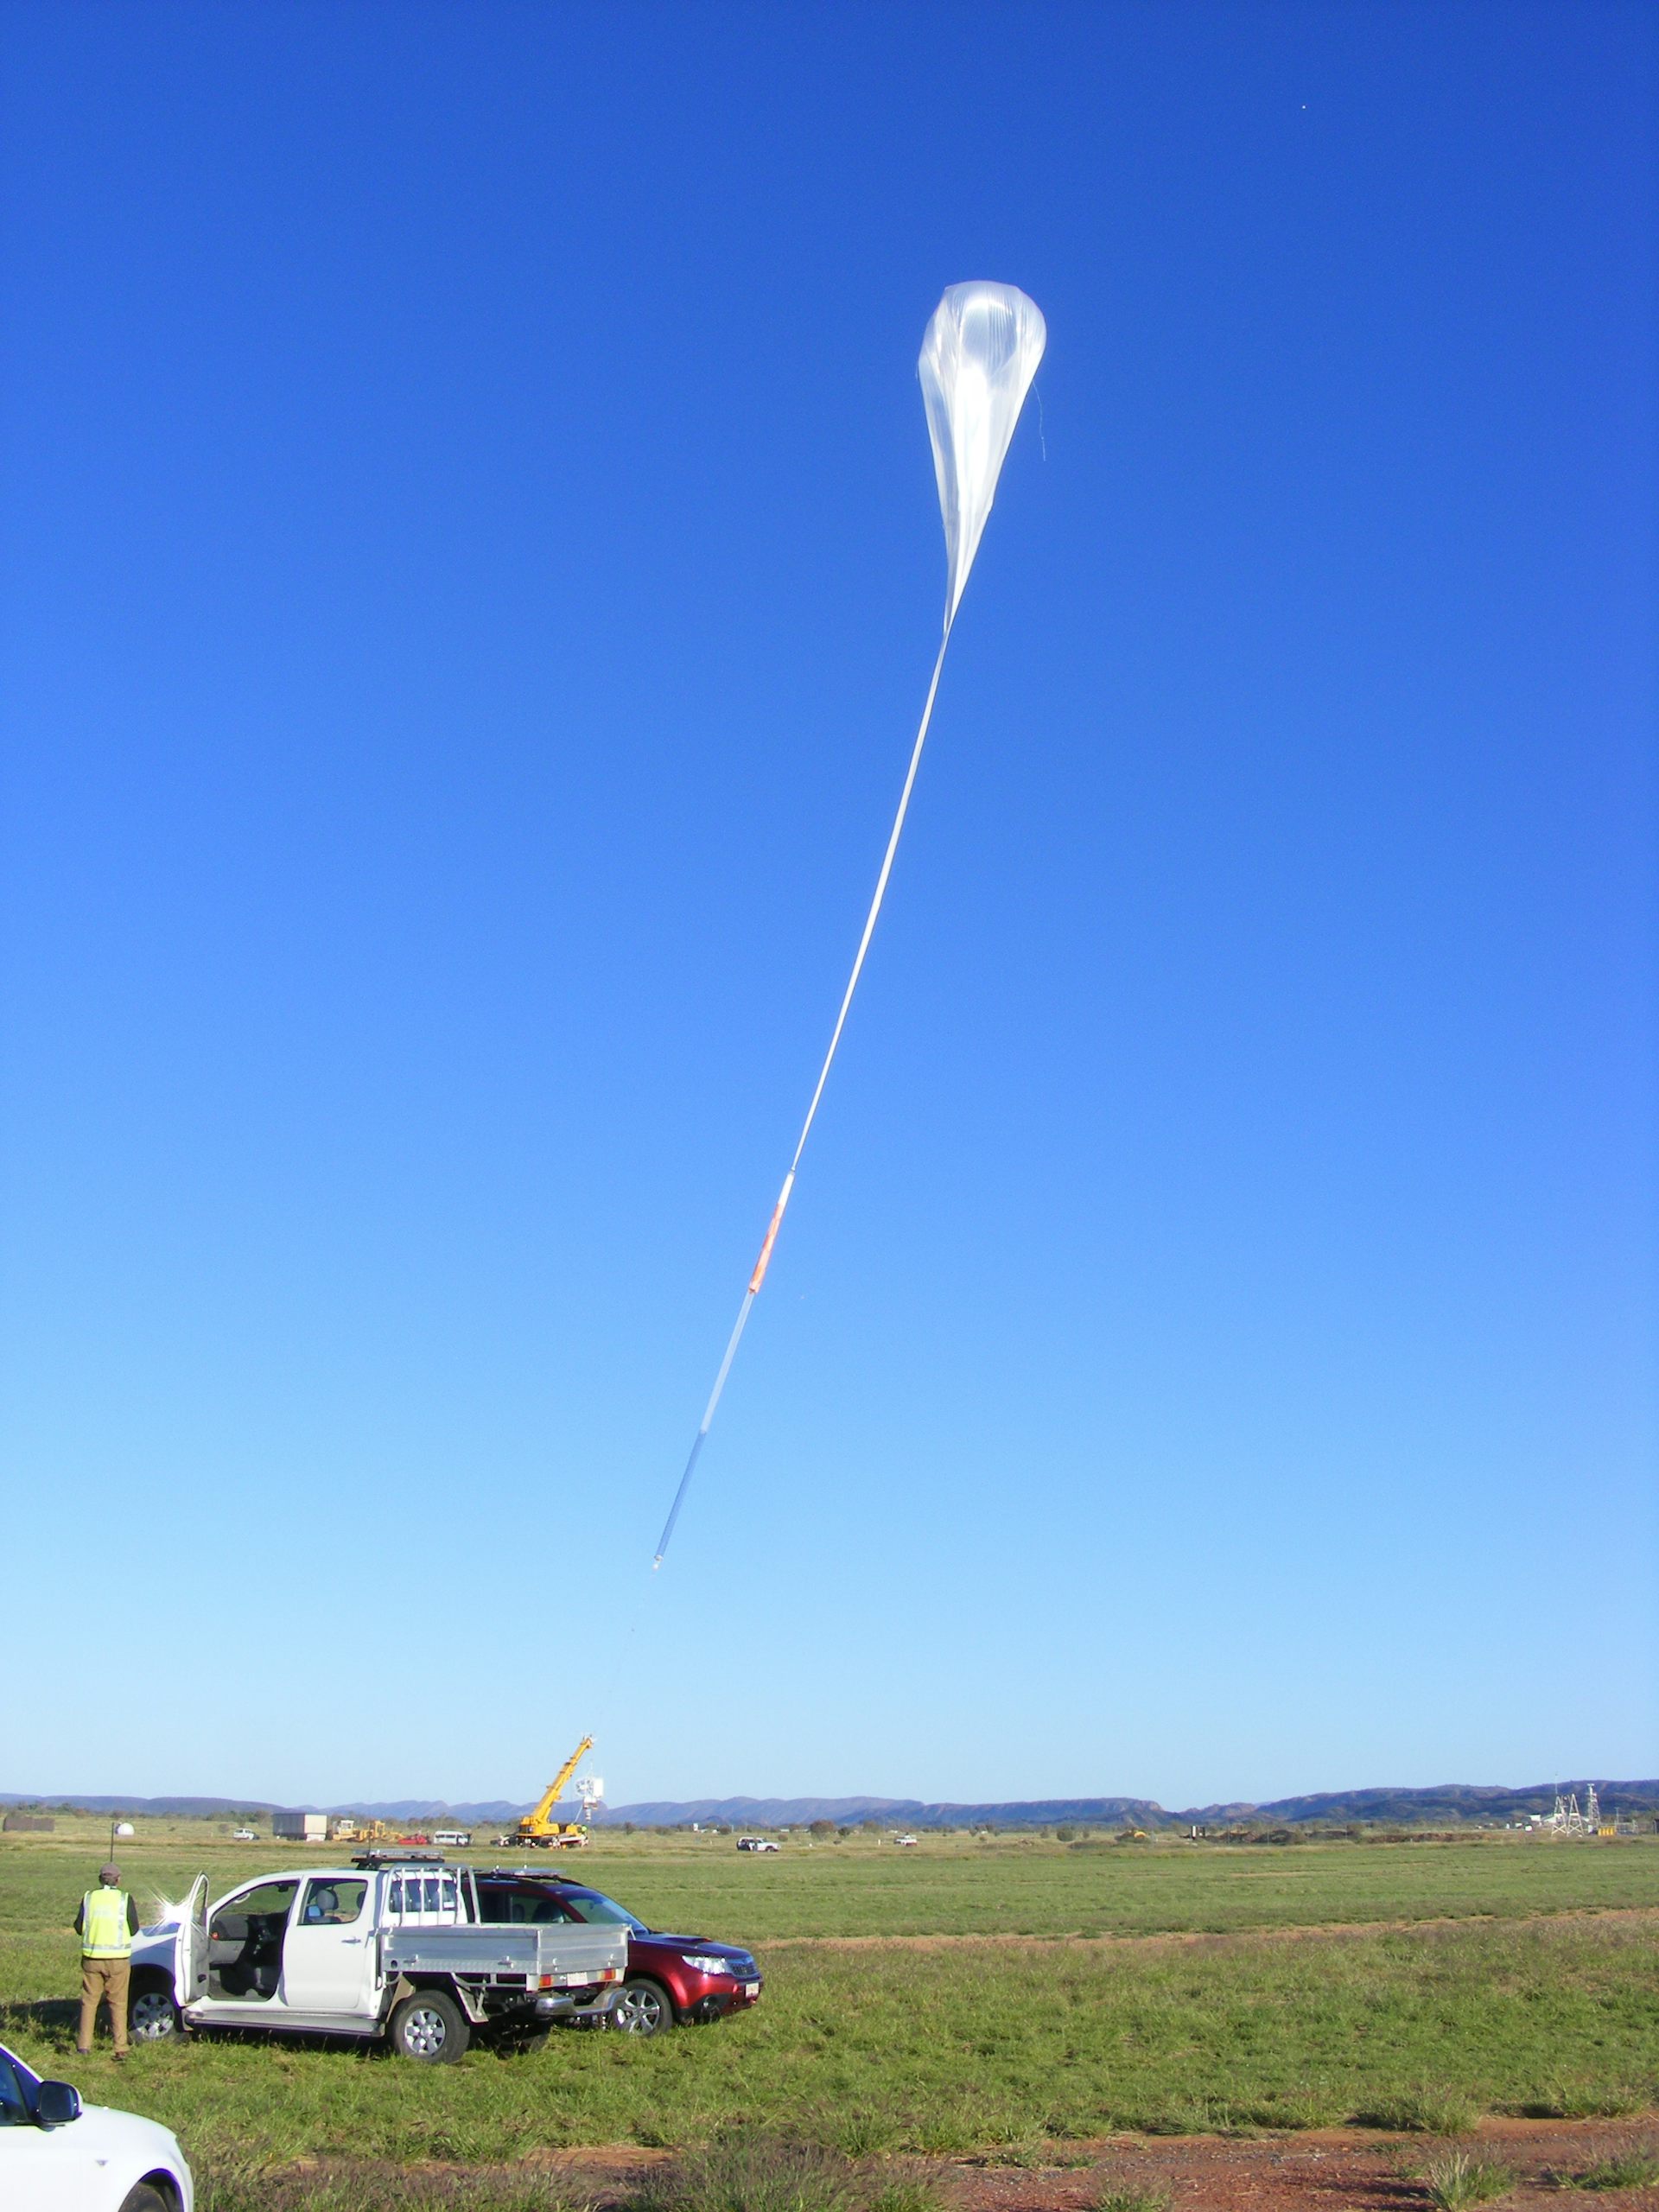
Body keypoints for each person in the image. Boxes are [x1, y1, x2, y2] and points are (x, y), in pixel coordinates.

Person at [73, 1863, 140, 2058]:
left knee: (89, 2002)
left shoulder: (89, 1898)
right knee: (118, 2003)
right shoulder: (124, 1899)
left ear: (99, 1879)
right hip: (118, 1959)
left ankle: (84, 2046)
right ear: (118, 1879)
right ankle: (120, 2047)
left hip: (92, 1958)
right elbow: (134, 1928)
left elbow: (79, 1926)